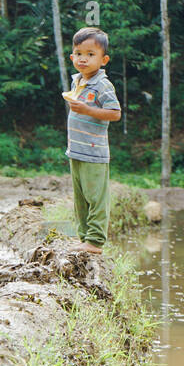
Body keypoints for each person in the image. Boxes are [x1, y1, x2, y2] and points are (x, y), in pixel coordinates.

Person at [61, 26, 122, 255]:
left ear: (103, 59)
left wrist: (87, 110)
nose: (83, 59)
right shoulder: (77, 81)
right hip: (76, 150)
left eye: (90, 54)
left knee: (96, 197)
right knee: (80, 198)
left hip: (94, 151)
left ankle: (95, 241)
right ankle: (84, 238)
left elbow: (115, 113)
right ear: (72, 57)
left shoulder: (102, 85)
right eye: (78, 53)